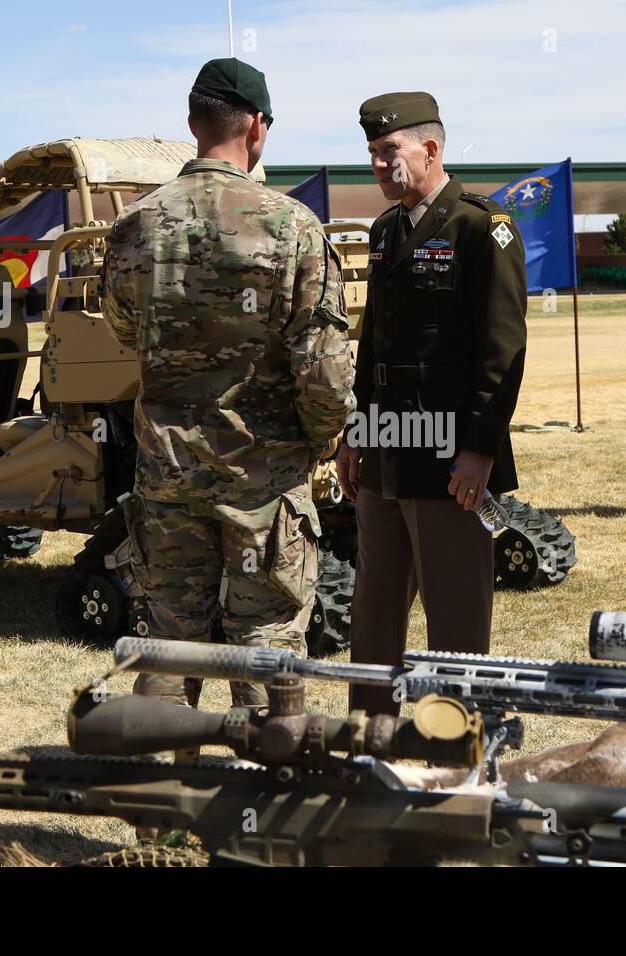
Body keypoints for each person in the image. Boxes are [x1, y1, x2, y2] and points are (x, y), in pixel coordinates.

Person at [102, 57, 356, 712]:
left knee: (170, 641)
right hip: (264, 487)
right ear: (259, 128)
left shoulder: (137, 225)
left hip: (167, 478)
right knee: (268, 641)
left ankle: (162, 802)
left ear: (192, 121)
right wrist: (324, 442)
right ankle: (262, 795)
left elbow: (125, 333)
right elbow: (323, 370)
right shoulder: (295, 228)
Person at [335, 91, 527, 716]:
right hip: (386, 456)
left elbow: (501, 352)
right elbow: (374, 349)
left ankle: (459, 756)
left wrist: (479, 451)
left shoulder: (481, 227)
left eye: (389, 150)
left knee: (456, 624)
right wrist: (354, 435)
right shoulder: (387, 231)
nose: (378, 164)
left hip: (449, 465)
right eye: (371, 153)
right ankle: (368, 746)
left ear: (431, 149)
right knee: (374, 616)